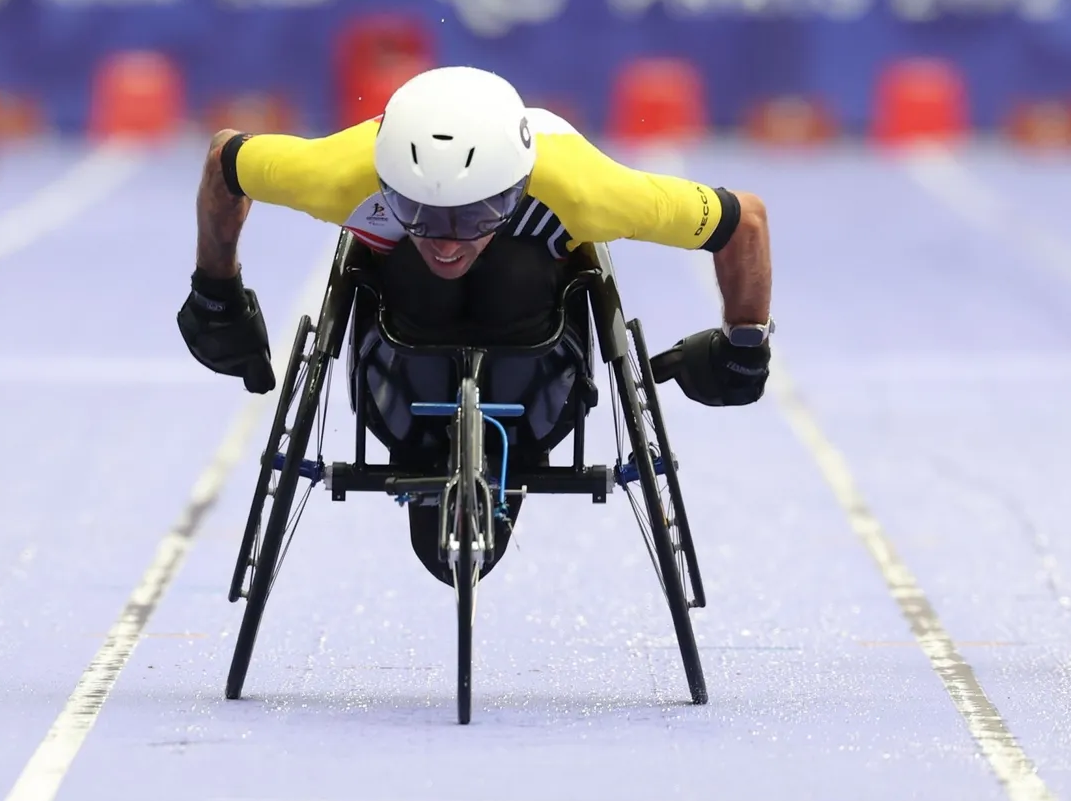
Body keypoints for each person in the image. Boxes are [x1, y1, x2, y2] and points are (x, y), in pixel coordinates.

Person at [178, 65, 773, 582]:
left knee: (507, 267)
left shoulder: (586, 190)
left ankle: (481, 256)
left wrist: (745, 343)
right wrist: (216, 292)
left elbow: (745, 219)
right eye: (417, 211)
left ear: (515, 188)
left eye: (477, 215)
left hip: (536, 351)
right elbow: (227, 158)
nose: (445, 241)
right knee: (422, 269)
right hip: (403, 349)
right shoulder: (341, 173)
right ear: (385, 178)